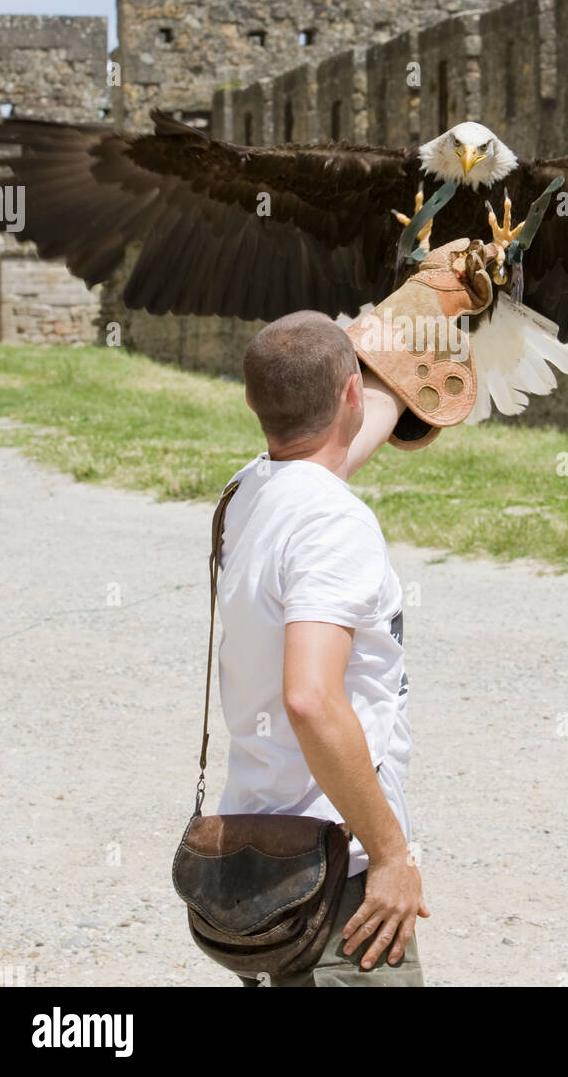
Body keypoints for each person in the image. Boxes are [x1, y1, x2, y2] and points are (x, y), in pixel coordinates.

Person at [215, 309, 428, 987]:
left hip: (256, 859)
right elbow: (310, 698)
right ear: (348, 394)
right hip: (335, 876)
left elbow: (325, 455)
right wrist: (391, 853)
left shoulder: (245, 492)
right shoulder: (335, 524)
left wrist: (411, 350)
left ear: (251, 401)